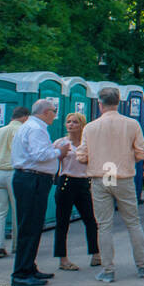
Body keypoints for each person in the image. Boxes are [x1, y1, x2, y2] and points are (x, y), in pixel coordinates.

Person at [77, 86, 144, 283]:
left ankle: (108, 269)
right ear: (118, 102)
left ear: (100, 104)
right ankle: (142, 266)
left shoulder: (90, 127)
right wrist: (127, 159)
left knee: (104, 225)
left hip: (101, 177)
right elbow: (143, 153)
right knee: (133, 222)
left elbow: (81, 156)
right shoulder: (131, 124)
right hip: (123, 176)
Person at [10, 98, 70, 286]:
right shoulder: (36, 129)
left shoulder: (32, 127)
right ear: (45, 112)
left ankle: (28, 266)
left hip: (31, 179)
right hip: (32, 180)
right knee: (29, 226)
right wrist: (59, 151)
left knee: (33, 226)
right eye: (53, 111)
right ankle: (21, 273)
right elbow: (39, 155)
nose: (55, 115)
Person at [51, 112, 98, 271]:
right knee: (62, 221)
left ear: (82, 125)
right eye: (68, 122)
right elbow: (51, 161)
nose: (71, 125)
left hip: (83, 182)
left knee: (90, 220)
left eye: (75, 122)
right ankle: (62, 259)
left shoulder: (88, 143)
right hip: (66, 182)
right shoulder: (60, 143)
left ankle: (95, 254)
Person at [0, 105, 28, 259]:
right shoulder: (21, 131)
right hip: (14, 173)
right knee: (18, 211)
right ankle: (17, 245)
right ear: (25, 117)